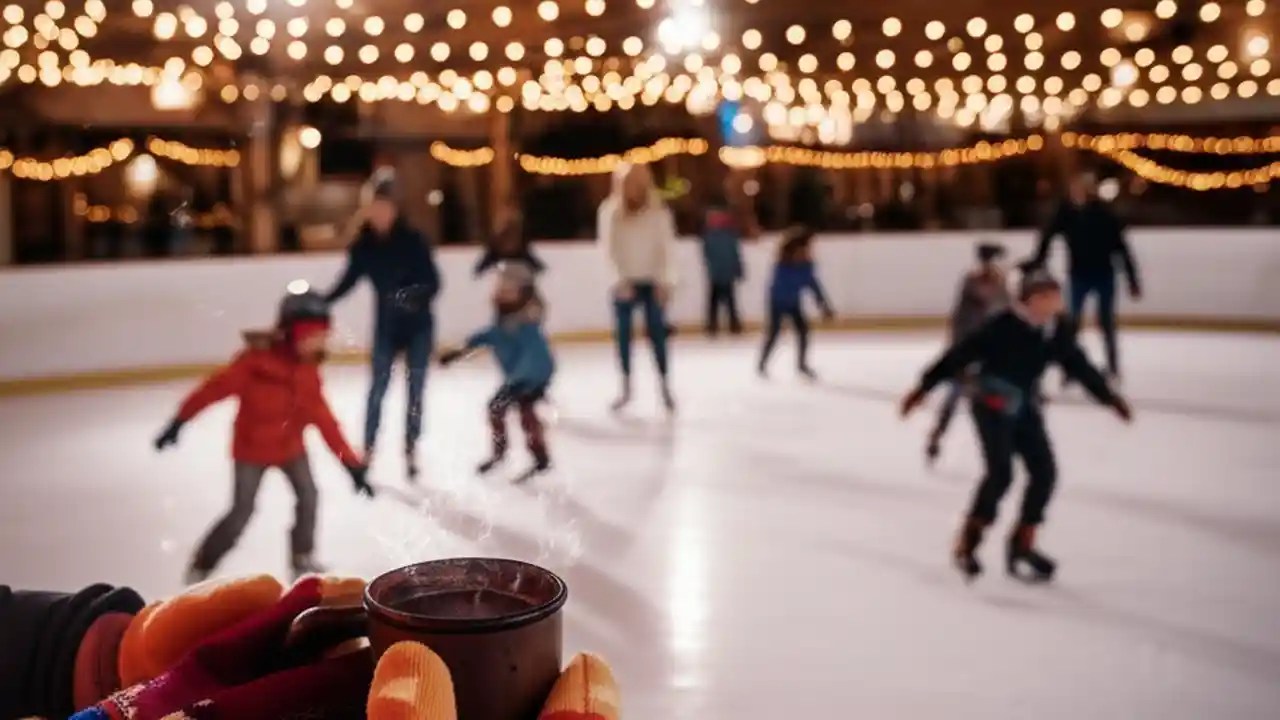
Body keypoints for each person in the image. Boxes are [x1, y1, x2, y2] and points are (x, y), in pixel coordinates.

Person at [900, 269, 1133, 583]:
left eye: (1055, 295)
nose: (1052, 303)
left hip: (1023, 406)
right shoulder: (1002, 326)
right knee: (1001, 474)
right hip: (990, 404)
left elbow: (1078, 364)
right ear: (1025, 300)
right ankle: (968, 542)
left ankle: (1021, 544)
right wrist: (922, 389)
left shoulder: (1056, 330)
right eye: (1043, 297)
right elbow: (958, 356)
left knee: (1045, 473)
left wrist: (1109, 398)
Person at [154, 286, 374, 584]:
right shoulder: (253, 364)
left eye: (323, 337)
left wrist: (351, 465)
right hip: (251, 450)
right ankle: (202, 564)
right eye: (313, 337)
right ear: (292, 334)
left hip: (291, 448)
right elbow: (212, 390)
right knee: (241, 511)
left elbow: (325, 421)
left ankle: (302, 558)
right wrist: (179, 420)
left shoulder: (307, 372)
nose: (319, 344)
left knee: (308, 497)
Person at [325, 171, 441, 480]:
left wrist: (409, 297)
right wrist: (322, 301)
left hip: (417, 326)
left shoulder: (413, 241)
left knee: (415, 392)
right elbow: (348, 281)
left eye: (385, 206)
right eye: (375, 206)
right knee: (377, 390)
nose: (380, 213)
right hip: (387, 328)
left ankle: (410, 450)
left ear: (396, 208)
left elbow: (433, 283)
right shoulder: (364, 245)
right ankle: (369, 450)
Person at [1025, 174, 1142, 381]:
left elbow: (1121, 248)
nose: (1076, 193)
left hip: (1103, 274)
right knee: (1072, 324)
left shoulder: (1104, 214)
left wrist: (1132, 280)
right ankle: (1071, 367)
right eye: (1074, 189)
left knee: (1106, 322)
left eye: (1081, 189)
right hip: (1079, 275)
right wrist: (1037, 262)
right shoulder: (1067, 213)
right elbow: (1048, 237)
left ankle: (1113, 366)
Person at [440, 274, 556, 482]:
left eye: (507, 290)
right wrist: (458, 352)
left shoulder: (525, 324)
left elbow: (535, 355)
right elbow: (486, 336)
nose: (499, 292)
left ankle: (539, 457)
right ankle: (504, 453)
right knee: (498, 409)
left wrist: (523, 384)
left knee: (523, 411)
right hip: (518, 379)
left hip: (533, 376)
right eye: (499, 289)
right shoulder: (502, 322)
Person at [597, 162, 678, 412]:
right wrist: (619, 281)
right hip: (624, 283)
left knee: (657, 335)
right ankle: (626, 387)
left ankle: (664, 386)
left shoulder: (658, 212)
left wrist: (665, 282)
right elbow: (607, 250)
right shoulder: (611, 211)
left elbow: (667, 249)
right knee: (623, 336)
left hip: (652, 281)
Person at [925, 241, 1012, 464]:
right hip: (965, 347)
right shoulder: (973, 281)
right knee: (957, 392)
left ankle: (1003, 443)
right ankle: (937, 434)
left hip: (984, 347)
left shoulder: (995, 283)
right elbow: (989, 297)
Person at [758, 226, 834, 379]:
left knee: (803, 331)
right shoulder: (782, 265)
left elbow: (813, 284)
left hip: (793, 303)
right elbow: (785, 285)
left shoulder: (806, 264)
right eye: (806, 248)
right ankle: (762, 364)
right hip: (778, 302)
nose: (809, 251)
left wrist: (824, 305)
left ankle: (801, 365)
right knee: (774, 333)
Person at [700, 189, 746, 337]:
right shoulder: (725, 234)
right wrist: (738, 268)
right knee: (725, 300)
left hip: (720, 271)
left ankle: (718, 325)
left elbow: (709, 254)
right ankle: (728, 325)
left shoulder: (715, 235)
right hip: (722, 271)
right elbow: (733, 253)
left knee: (719, 300)